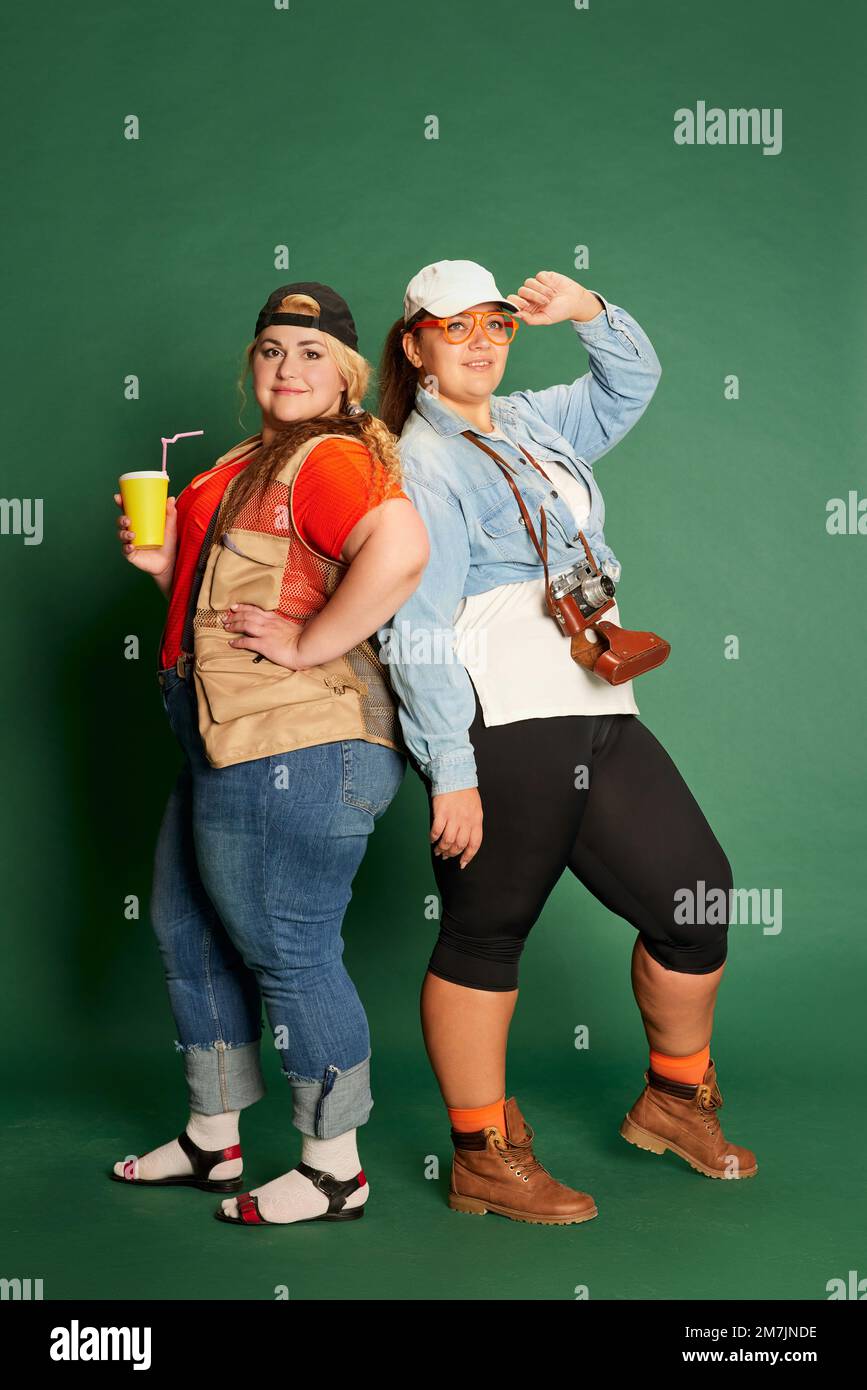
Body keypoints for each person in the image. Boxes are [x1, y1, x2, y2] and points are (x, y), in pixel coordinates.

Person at [377, 259, 757, 1225]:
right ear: (414, 343)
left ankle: (671, 1100)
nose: (480, 342)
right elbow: (414, 624)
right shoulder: (419, 462)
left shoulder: (536, 421)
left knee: (695, 897)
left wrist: (589, 310)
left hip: (595, 700)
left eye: (496, 326)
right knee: (486, 931)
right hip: (499, 712)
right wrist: (449, 774)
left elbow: (630, 379)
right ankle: (480, 1154)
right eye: (455, 326)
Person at [110, 282, 428, 1227]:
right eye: (271, 350)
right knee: (187, 933)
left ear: (347, 372)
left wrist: (306, 642)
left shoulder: (327, 458)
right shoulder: (255, 459)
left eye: (310, 352)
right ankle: (214, 1139)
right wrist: (172, 572)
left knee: (290, 950)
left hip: (296, 741)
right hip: (224, 736)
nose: (287, 368)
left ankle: (335, 1168)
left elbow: (399, 549)